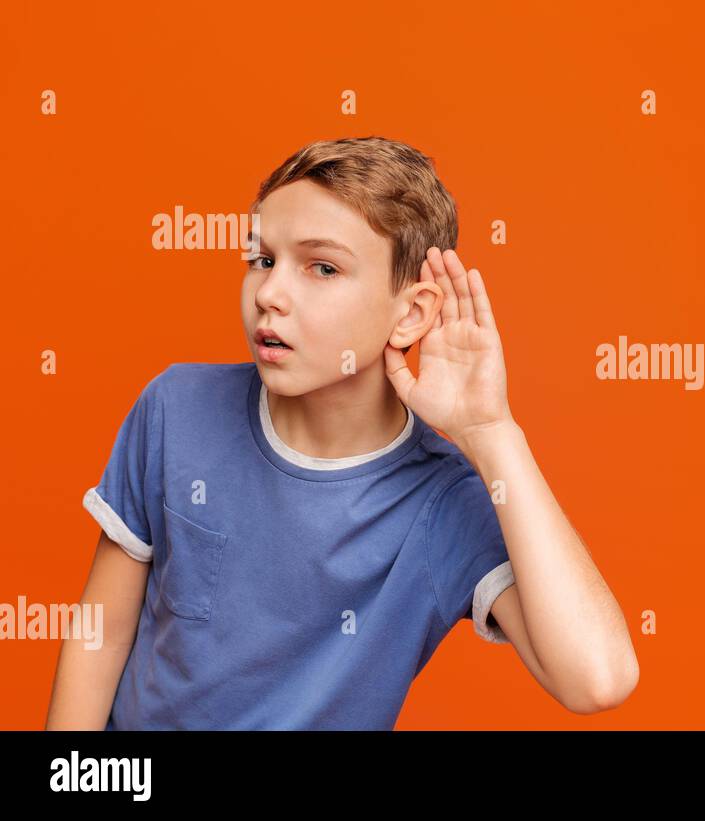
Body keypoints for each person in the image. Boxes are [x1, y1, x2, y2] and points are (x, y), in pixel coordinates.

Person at [46, 136, 638, 729]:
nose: (270, 294)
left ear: (409, 313)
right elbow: (101, 636)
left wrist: (492, 431)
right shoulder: (176, 408)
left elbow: (599, 679)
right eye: (263, 260)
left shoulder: (444, 505)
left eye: (322, 267)